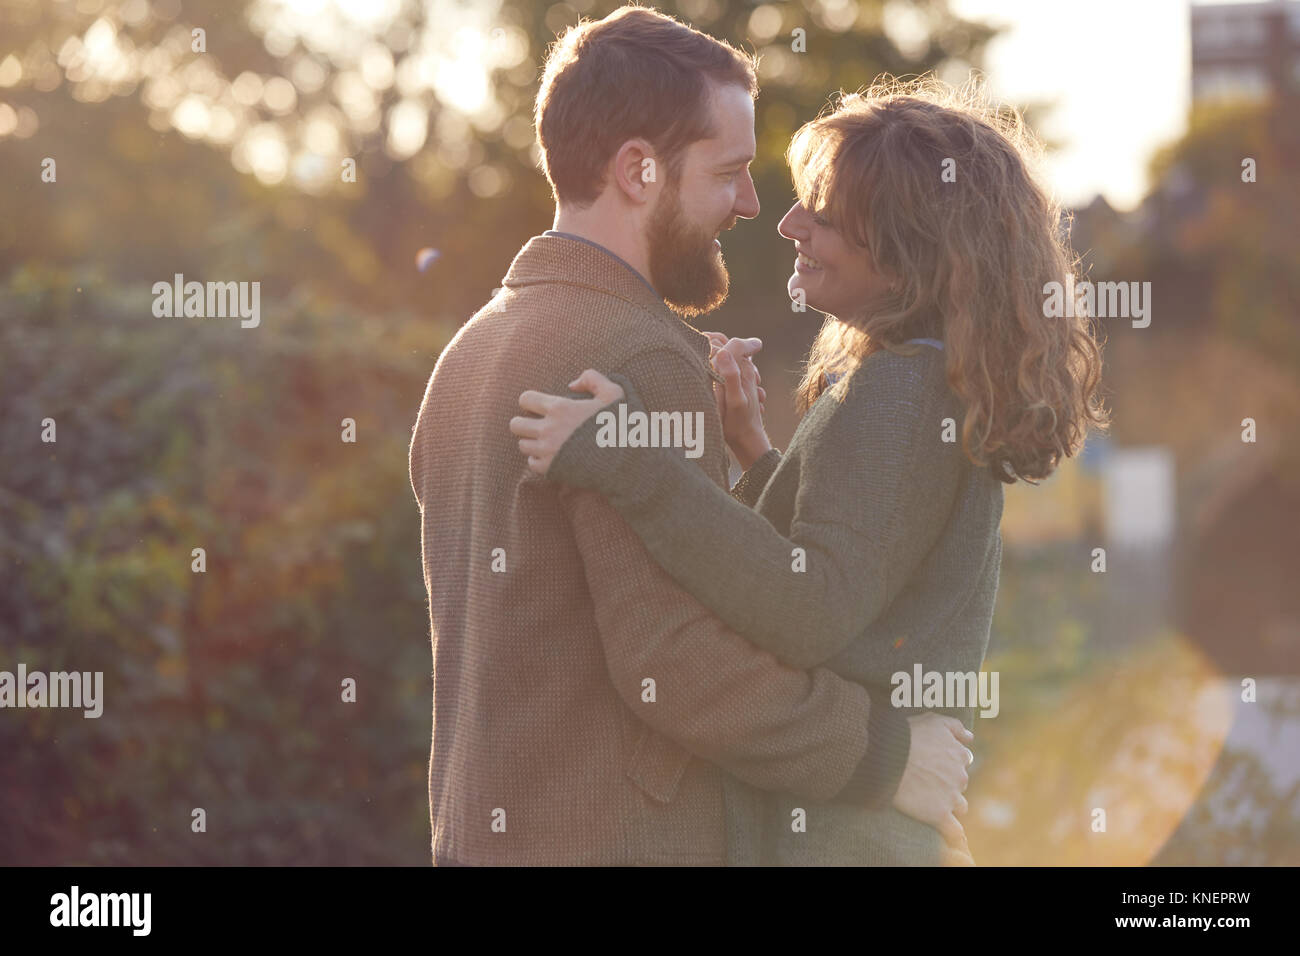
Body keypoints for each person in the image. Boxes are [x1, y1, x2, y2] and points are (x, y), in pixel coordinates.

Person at [409, 8, 974, 866]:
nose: (751, 205)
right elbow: (675, 661)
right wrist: (883, 755)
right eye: (730, 172)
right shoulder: (637, 353)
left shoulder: (470, 350)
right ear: (640, 169)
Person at [510, 77, 1110, 864]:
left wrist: (625, 458)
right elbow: (853, 564)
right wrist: (758, 454)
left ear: (906, 252)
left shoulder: (898, 391)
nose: (788, 223)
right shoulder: (926, 381)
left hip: (846, 837)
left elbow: (808, 608)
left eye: (822, 217)